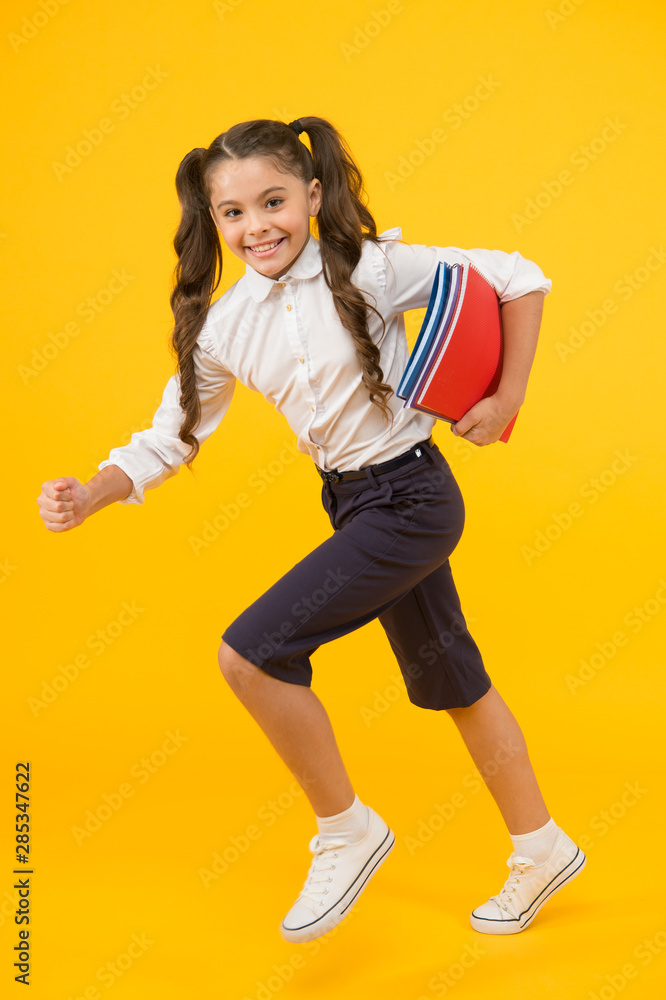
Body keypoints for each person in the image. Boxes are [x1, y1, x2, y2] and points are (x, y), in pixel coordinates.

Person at [37, 116, 586, 942]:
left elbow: (520, 276)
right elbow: (173, 433)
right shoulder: (225, 325)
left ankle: (347, 830)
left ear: (313, 195)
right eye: (234, 213)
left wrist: (505, 400)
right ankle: (542, 847)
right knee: (453, 682)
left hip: (412, 499)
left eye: (274, 201)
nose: (257, 226)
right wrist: (96, 493)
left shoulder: (365, 267)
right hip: (352, 503)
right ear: (213, 222)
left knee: (251, 654)